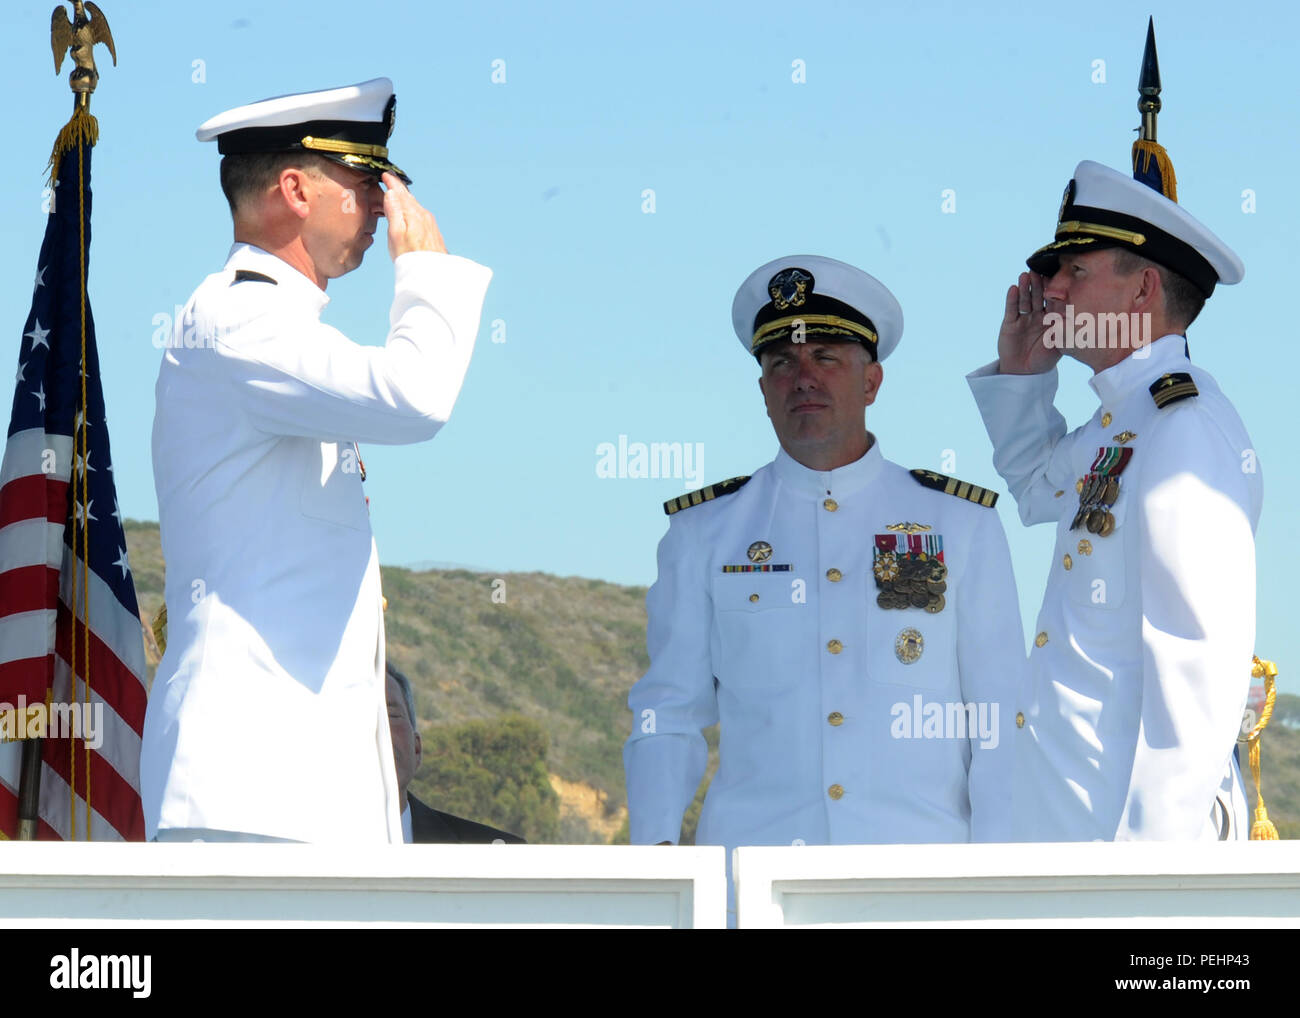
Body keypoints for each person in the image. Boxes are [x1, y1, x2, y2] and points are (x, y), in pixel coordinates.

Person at [142, 79, 492, 843]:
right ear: (296, 188)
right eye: (367, 181)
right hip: (251, 796)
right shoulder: (240, 316)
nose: (380, 206)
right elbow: (415, 396)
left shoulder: (275, 324)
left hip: (299, 797)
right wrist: (428, 271)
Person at [624, 255, 1027, 899]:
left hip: (922, 886)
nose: (802, 379)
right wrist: (655, 862)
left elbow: (999, 717)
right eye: (781, 363)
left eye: (827, 360)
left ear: (872, 382)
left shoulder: (959, 524)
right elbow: (667, 712)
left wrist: (1000, 885)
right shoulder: (704, 533)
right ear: (762, 389)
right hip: (754, 886)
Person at [966, 160, 1262, 840]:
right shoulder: (1123, 422)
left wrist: (1151, 864)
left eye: (1075, 271)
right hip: (1071, 824)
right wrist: (1022, 378)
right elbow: (1040, 491)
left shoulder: (1184, 427)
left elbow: (1197, 664)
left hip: (1131, 837)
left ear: (1144, 290)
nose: (1051, 289)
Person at [385, 662, 523, 844]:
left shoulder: (500, 858)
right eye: (354, 716)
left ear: (416, 749)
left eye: (391, 715)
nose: (375, 730)